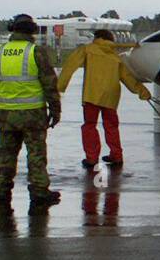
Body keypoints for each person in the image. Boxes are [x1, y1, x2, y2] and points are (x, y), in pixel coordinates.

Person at [0, 14, 61, 210]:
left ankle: (1, 192)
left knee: (5, 155)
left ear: (13, 29)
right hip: (32, 115)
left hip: (6, 114)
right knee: (36, 154)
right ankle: (39, 192)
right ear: (32, 31)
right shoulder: (36, 52)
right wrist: (55, 109)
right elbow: (50, 84)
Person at [58, 28, 152, 169]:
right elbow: (127, 78)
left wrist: (59, 87)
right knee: (111, 126)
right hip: (111, 97)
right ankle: (116, 155)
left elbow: (69, 67)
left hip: (92, 95)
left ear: (96, 38)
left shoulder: (87, 50)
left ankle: (92, 158)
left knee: (89, 126)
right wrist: (143, 92)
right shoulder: (115, 57)